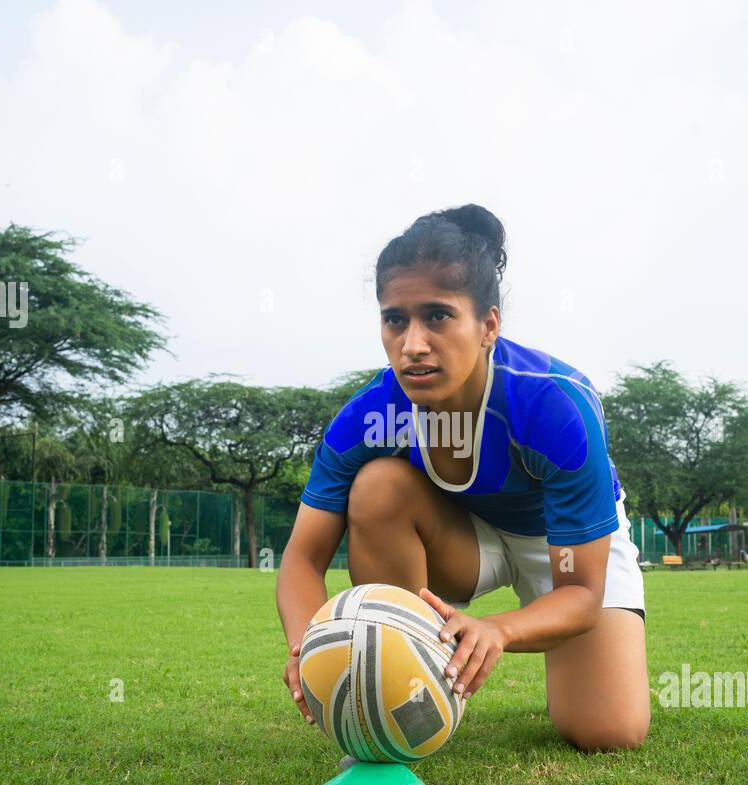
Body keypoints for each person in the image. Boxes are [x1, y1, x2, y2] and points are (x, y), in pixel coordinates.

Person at [275, 204, 648, 752]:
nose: (413, 343)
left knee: (607, 733)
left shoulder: (553, 404)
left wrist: (499, 628)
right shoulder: (370, 417)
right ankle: (400, 692)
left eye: (438, 316)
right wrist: (307, 644)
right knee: (377, 487)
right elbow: (303, 558)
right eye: (395, 319)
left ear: (488, 325)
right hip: (468, 539)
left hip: (566, 551)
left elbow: (581, 593)